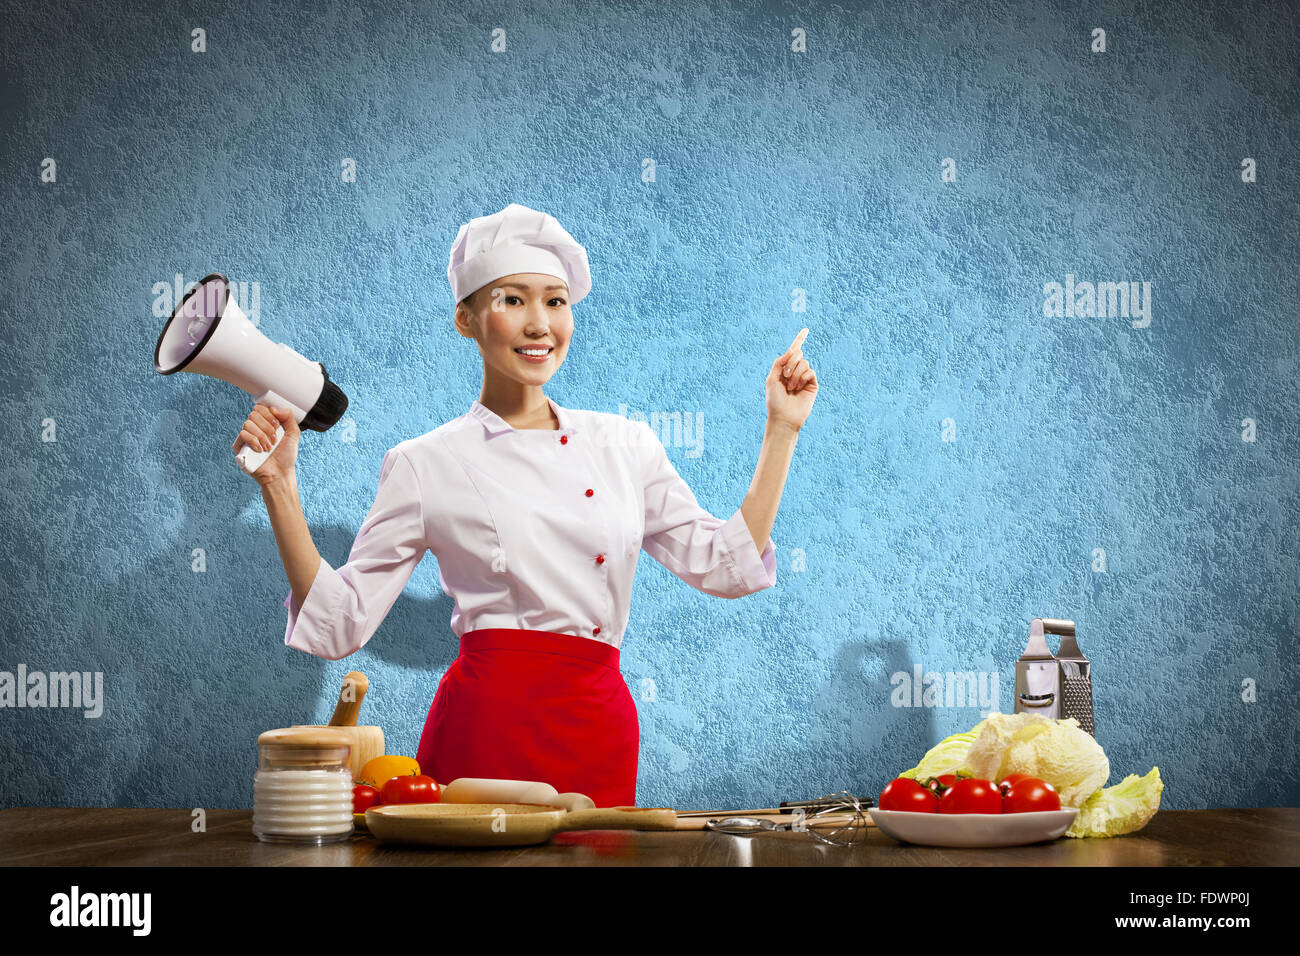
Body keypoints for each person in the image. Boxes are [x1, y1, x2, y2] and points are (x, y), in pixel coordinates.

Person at [239, 203, 818, 807]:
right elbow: (340, 624)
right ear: (466, 319)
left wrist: (782, 429)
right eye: (512, 300)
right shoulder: (423, 462)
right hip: (483, 734)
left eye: (555, 301)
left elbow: (724, 566)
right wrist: (279, 485)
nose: (540, 324)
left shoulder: (626, 445)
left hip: (599, 731)